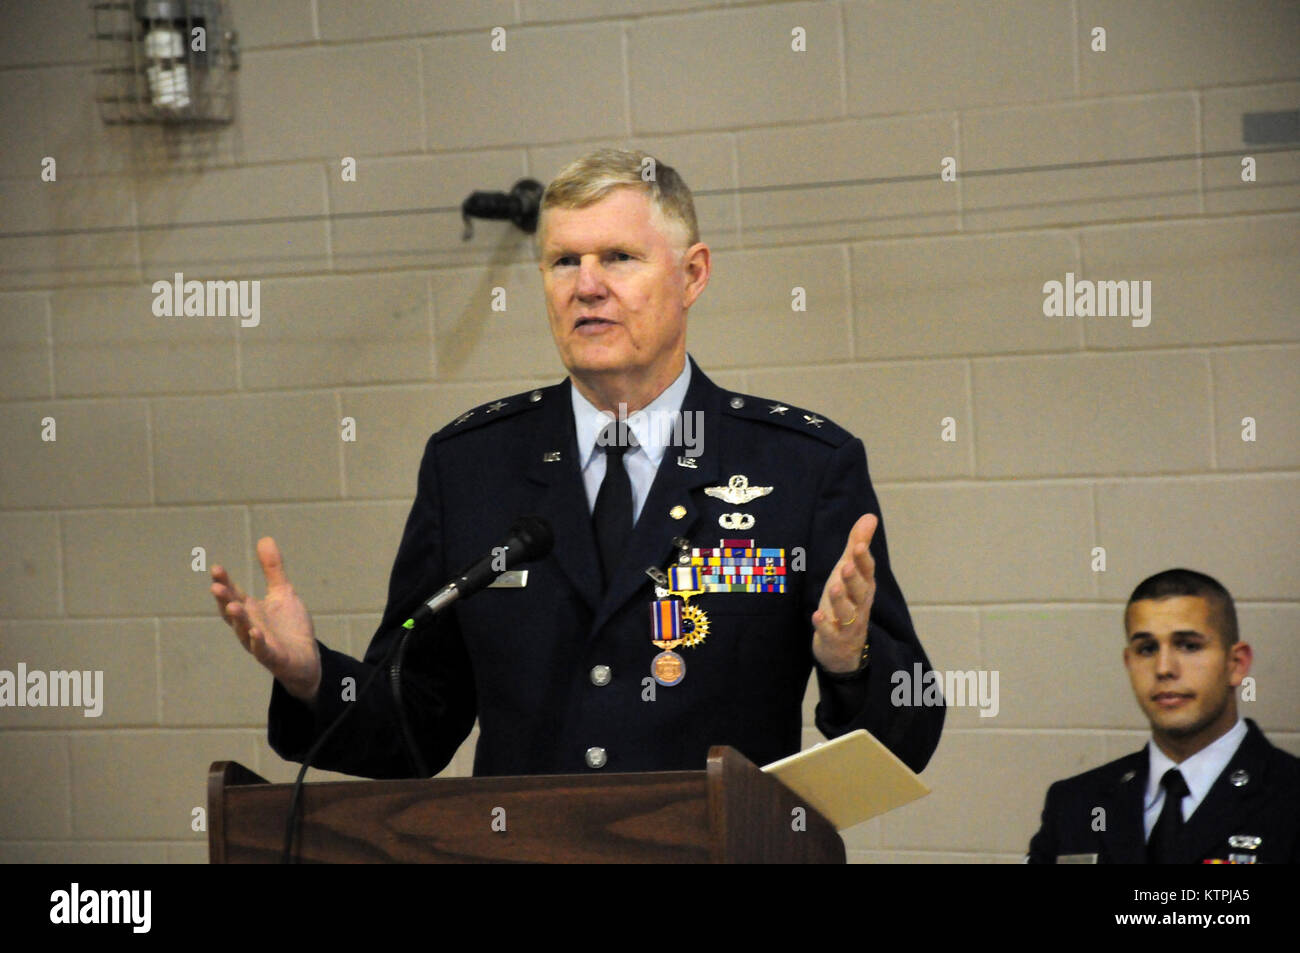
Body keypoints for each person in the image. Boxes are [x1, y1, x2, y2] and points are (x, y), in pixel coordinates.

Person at [210, 148, 944, 779]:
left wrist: (852, 663)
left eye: (618, 258)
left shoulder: (801, 466)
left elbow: (908, 734)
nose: (586, 285)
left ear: (692, 275)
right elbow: (418, 722)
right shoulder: (471, 466)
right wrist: (313, 680)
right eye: (564, 260)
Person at [1027, 569, 1299, 863]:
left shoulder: (1290, 797)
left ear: (1236, 664)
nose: (1164, 668)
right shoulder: (1077, 803)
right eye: (1147, 649)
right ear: (1129, 663)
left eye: (1189, 645)